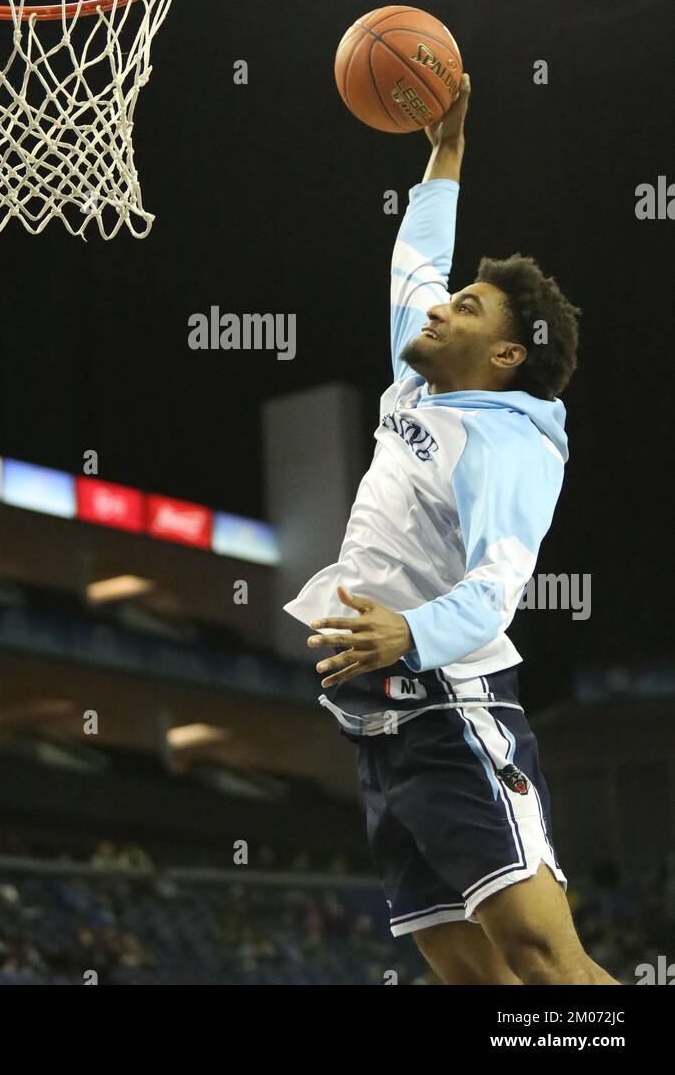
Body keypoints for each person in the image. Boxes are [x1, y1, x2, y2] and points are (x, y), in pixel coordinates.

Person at [286, 75, 616, 985]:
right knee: (473, 977)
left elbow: (497, 589)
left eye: (467, 307)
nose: (440, 305)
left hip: (452, 707)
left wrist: (408, 633)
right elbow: (416, 258)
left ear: (507, 355)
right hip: (381, 721)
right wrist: (446, 151)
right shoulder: (426, 376)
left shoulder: (505, 445)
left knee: (547, 962)